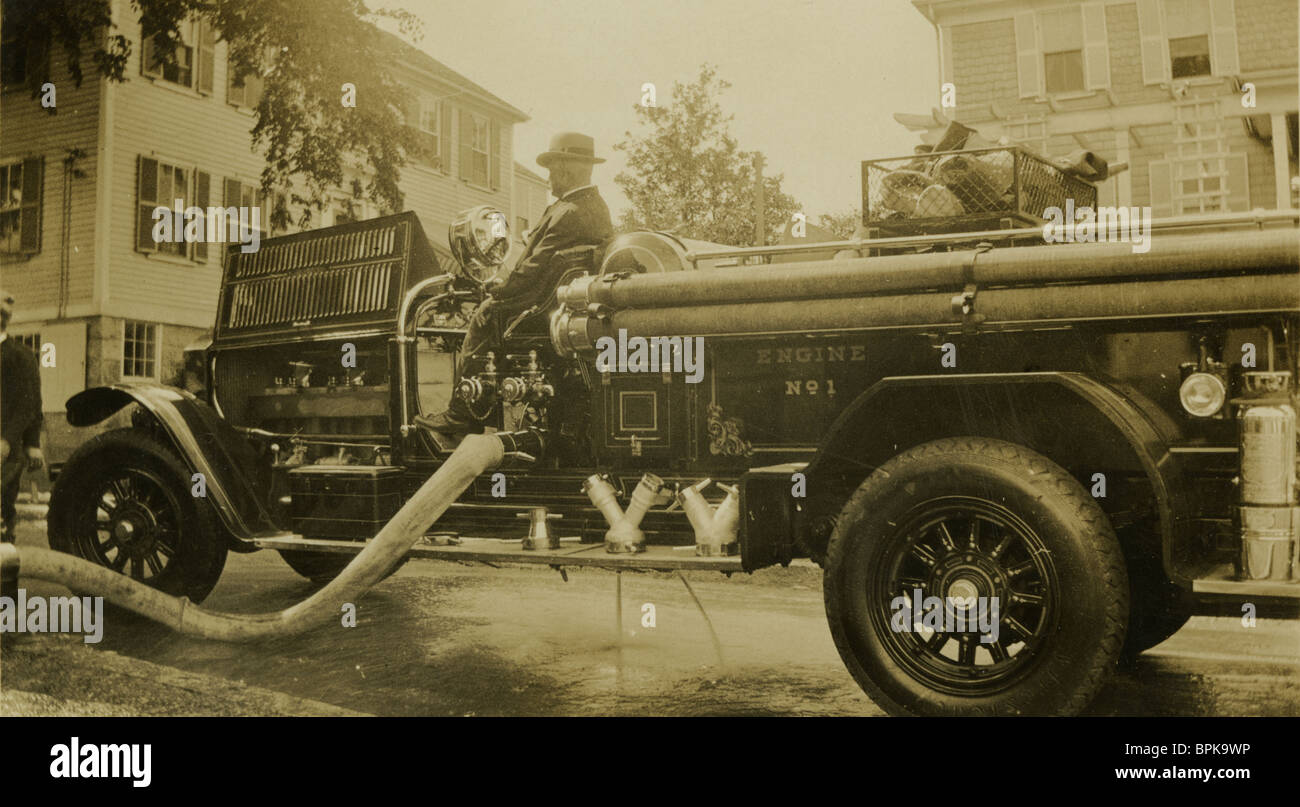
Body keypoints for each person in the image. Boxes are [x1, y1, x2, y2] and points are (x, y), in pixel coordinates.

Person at [416, 131, 613, 436]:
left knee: (484, 314)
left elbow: (534, 268)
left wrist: (499, 288)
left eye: (552, 170)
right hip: (562, 306)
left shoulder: (568, 212)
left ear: (566, 170)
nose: (549, 178)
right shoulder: (596, 208)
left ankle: (462, 412)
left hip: (535, 309)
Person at [0, 290, 44, 543]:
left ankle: (5, 558)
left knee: (2, 509)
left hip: (6, 447)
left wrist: (29, 442)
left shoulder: (21, 356)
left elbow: (30, 404)